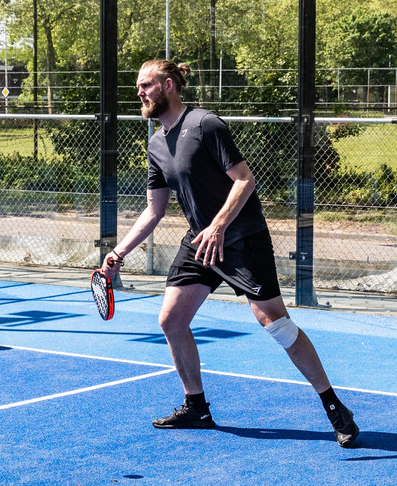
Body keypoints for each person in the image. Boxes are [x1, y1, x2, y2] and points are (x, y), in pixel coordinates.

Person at [99, 59, 360, 448]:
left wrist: (219, 224)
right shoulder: (156, 144)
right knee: (171, 319)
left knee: (275, 323)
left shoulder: (206, 125)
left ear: (169, 85)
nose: (140, 92)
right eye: (139, 87)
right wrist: (118, 252)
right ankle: (196, 407)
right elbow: (154, 210)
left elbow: (244, 179)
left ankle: (334, 406)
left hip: (240, 238)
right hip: (199, 241)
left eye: (146, 85)